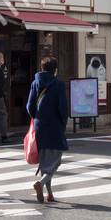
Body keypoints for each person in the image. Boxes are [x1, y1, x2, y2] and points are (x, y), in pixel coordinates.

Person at [26, 56, 69, 204]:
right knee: (55, 161)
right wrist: (64, 122)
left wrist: (37, 117)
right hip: (55, 126)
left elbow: (29, 106)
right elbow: (62, 107)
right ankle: (41, 183)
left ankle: (49, 194)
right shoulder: (59, 84)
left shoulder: (34, 83)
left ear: (42, 68)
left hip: (39, 126)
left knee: (45, 162)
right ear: (55, 70)